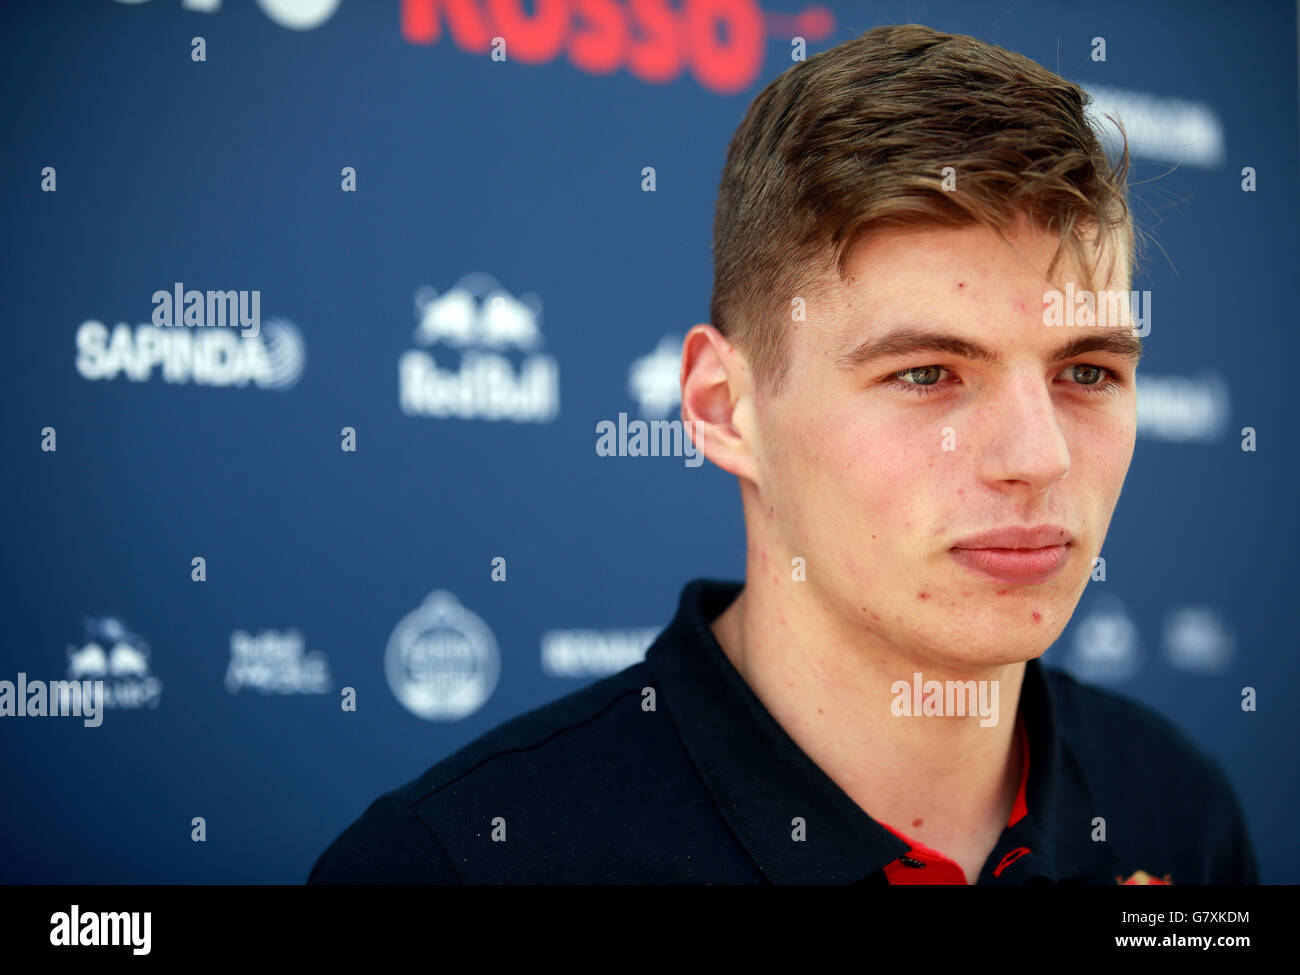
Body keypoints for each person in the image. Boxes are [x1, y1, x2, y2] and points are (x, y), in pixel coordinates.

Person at [308, 23, 1257, 885]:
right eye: (928, 373)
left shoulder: (1179, 811)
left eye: (1087, 371)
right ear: (726, 409)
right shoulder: (457, 865)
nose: (1037, 457)